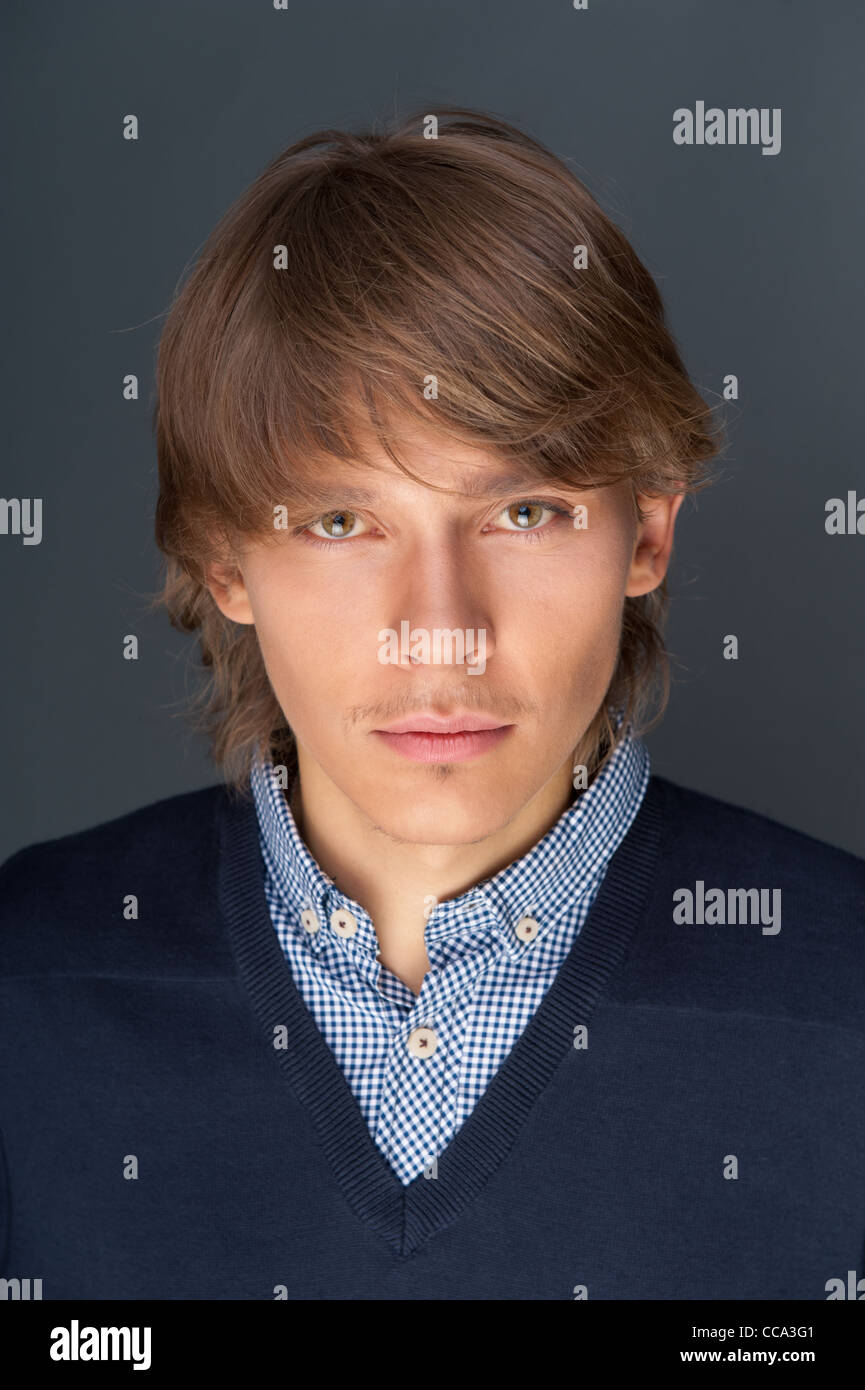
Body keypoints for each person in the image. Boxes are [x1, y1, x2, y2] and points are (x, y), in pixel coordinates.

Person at [1, 108, 863, 1302]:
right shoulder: (27, 987)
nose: (440, 625)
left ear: (648, 528)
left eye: (524, 512)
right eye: (343, 523)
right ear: (224, 563)